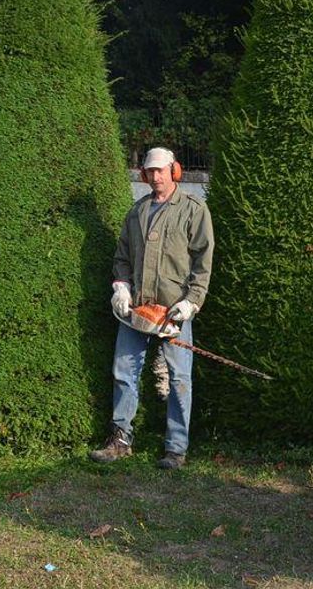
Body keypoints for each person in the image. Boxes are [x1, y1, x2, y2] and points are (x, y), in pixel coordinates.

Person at [90, 147, 214, 469]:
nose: (155, 177)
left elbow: (203, 262)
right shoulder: (137, 212)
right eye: (150, 172)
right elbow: (123, 256)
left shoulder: (193, 209)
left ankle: (176, 449)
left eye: (161, 171)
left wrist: (192, 301)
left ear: (174, 171)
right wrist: (121, 286)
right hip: (138, 310)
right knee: (123, 371)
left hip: (175, 312)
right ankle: (120, 440)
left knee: (179, 378)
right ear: (144, 175)